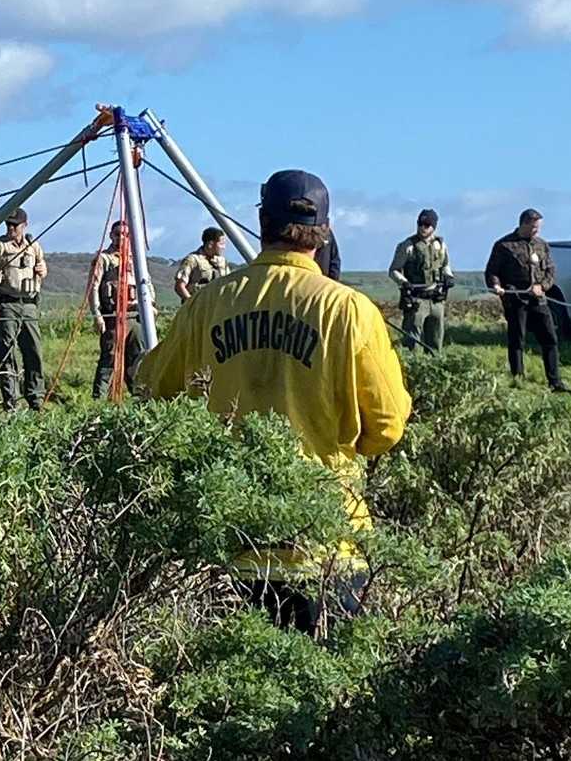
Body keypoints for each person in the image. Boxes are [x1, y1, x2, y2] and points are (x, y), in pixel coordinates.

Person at [134, 170, 411, 635]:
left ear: (261, 221)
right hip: (325, 544)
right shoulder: (349, 310)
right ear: (324, 231)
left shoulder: (209, 302)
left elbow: (152, 388)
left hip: (228, 543)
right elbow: (386, 427)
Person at [485, 208, 570, 393]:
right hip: (515, 300)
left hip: (538, 300)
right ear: (524, 224)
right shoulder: (504, 245)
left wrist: (543, 286)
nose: (536, 231)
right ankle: (518, 380)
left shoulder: (542, 245)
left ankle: (555, 381)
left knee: (550, 338)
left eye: (538, 227)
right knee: (517, 340)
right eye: (533, 227)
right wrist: (496, 286)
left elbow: (550, 271)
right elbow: (492, 272)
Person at [0, 207, 47, 410]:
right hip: (7, 304)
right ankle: (11, 403)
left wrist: (43, 271)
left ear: (24, 225)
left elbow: (42, 268)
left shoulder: (34, 246)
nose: (11, 228)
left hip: (29, 305)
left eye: (15, 225)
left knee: (34, 352)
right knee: (7, 355)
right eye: (8, 225)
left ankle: (36, 400)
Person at [90, 219, 147, 399]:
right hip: (113, 316)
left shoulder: (135, 260)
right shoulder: (103, 259)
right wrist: (97, 315)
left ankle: (138, 396)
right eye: (117, 234)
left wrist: (151, 306)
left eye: (125, 235)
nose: (121, 238)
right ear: (111, 236)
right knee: (109, 360)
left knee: (137, 359)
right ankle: (98, 401)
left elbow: (147, 284)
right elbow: (93, 287)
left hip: (134, 316)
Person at [388, 208, 455, 352]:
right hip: (416, 300)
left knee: (436, 342)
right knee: (411, 342)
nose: (422, 228)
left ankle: (434, 369)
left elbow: (445, 265)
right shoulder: (407, 246)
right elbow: (393, 270)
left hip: (436, 299)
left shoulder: (441, 245)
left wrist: (449, 277)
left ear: (434, 227)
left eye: (426, 225)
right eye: (420, 224)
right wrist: (404, 282)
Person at [174, 226, 231, 302]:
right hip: (199, 308)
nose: (224, 247)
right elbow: (179, 286)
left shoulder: (222, 262)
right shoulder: (193, 260)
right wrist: (191, 303)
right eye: (221, 244)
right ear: (210, 244)